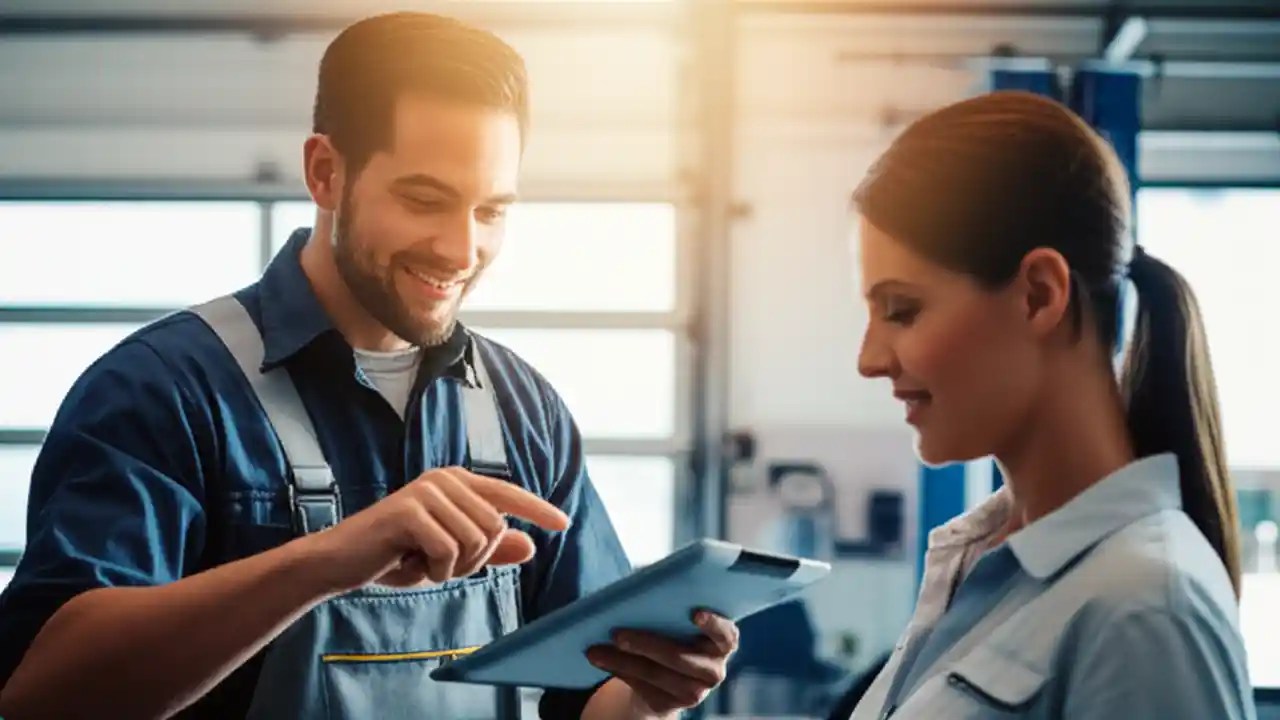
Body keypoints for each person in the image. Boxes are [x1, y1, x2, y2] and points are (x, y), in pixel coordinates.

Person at [0, 12, 737, 720]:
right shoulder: (164, 392)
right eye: (425, 199)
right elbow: (43, 698)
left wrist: (653, 692)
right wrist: (326, 562)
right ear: (325, 173)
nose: (460, 249)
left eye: (490, 211)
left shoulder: (524, 411)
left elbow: (589, 699)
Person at [846, 92, 1255, 719]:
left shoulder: (1144, 608)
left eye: (902, 310)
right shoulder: (989, 565)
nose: (870, 359)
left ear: (1039, 294)